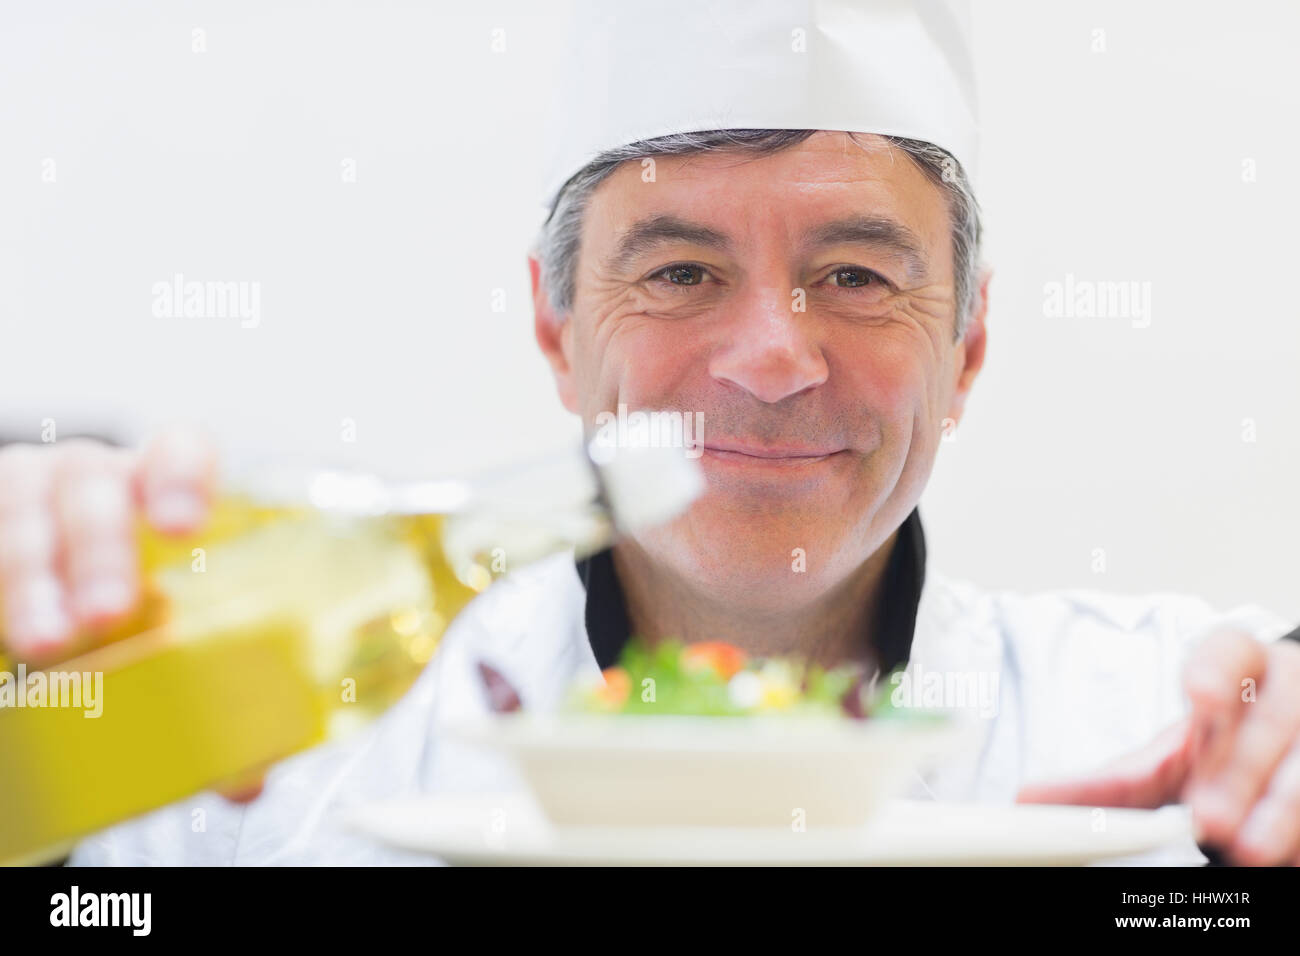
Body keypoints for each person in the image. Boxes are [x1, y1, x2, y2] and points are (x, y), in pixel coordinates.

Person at [4, 1, 1299, 865]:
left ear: (965, 346)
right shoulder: (289, 736)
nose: (776, 361)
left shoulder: (1164, 740)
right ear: (558, 331)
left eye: (855, 276)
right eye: (681, 272)